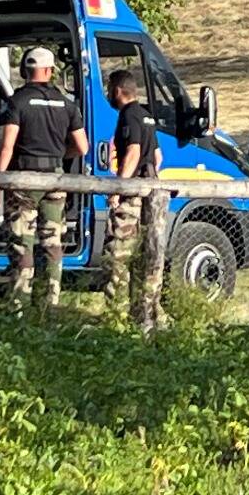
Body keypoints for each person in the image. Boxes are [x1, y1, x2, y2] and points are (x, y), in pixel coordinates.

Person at [0, 46, 89, 312]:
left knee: (22, 241)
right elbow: (82, 147)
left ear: (26, 70)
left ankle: (19, 304)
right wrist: (60, 154)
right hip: (56, 179)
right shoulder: (66, 105)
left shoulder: (18, 102)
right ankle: (51, 304)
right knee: (52, 241)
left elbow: (7, 146)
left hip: (25, 179)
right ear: (50, 71)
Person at [105, 68, 162, 322]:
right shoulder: (147, 116)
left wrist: (119, 188)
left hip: (133, 195)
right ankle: (145, 312)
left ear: (118, 91)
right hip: (152, 192)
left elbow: (133, 152)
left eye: (109, 89)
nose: (108, 94)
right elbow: (157, 157)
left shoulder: (128, 115)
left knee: (118, 254)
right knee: (147, 255)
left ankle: (116, 313)